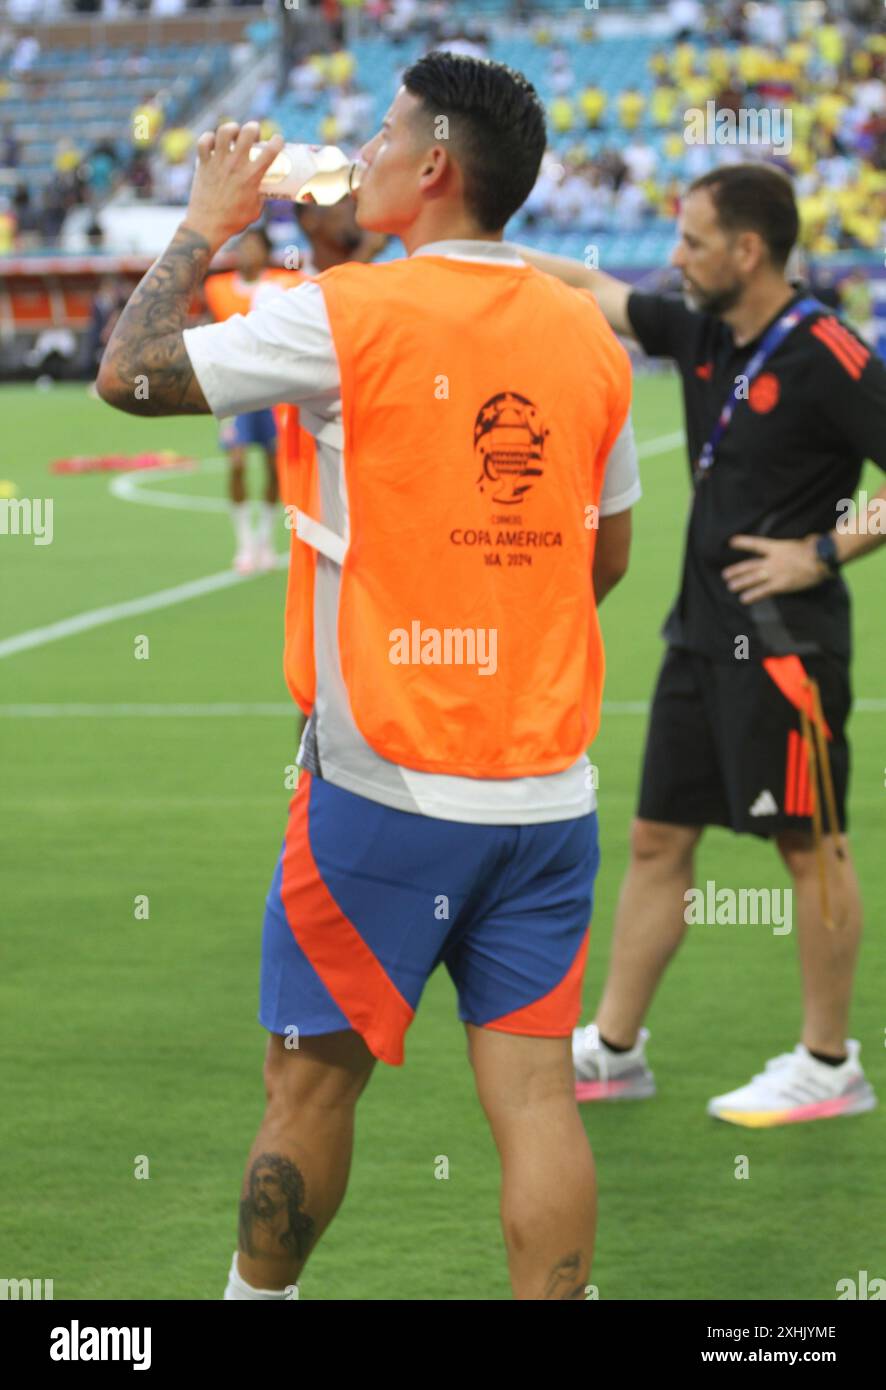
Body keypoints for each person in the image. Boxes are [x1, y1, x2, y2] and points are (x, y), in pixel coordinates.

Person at [95, 52, 640, 1300]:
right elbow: (595, 559)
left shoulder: (347, 314)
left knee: (307, 1083)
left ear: (435, 163)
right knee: (540, 1099)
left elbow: (128, 372)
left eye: (388, 131)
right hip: (547, 792)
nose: (369, 148)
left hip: (381, 791)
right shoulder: (584, 336)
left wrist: (201, 224)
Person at [516, 162, 886, 1127]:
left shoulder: (830, 353)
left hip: (784, 646)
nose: (674, 259)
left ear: (748, 251)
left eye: (691, 241)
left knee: (810, 846)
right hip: (699, 638)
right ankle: (618, 1047)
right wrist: (472, 255)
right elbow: (592, 291)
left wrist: (824, 550)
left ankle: (829, 1062)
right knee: (655, 838)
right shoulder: (703, 331)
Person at [203, 226, 290, 574]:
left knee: (273, 464)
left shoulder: (284, 284)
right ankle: (244, 543)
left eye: (254, 246)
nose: (247, 253)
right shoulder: (217, 287)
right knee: (236, 462)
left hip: (272, 389)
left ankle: (265, 538)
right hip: (235, 389)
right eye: (242, 247)